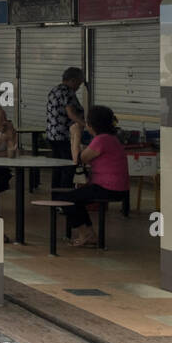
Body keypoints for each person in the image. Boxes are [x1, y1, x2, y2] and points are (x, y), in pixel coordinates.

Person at [59, 106, 129, 247]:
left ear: (92, 124)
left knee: (66, 200)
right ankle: (89, 233)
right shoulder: (111, 139)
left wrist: (76, 135)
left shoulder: (101, 140)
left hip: (108, 188)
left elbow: (77, 159)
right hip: (119, 188)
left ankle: (86, 234)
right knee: (75, 198)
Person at [46, 67, 87, 188]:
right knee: (68, 167)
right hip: (64, 136)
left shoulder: (55, 90)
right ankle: (65, 194)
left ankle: (56, 195)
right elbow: (71, 114)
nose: (78, 87)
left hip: (52, 135)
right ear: (72, 80)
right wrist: (87, 125)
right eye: (78, 83)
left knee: (57, 167)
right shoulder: (67, 92)